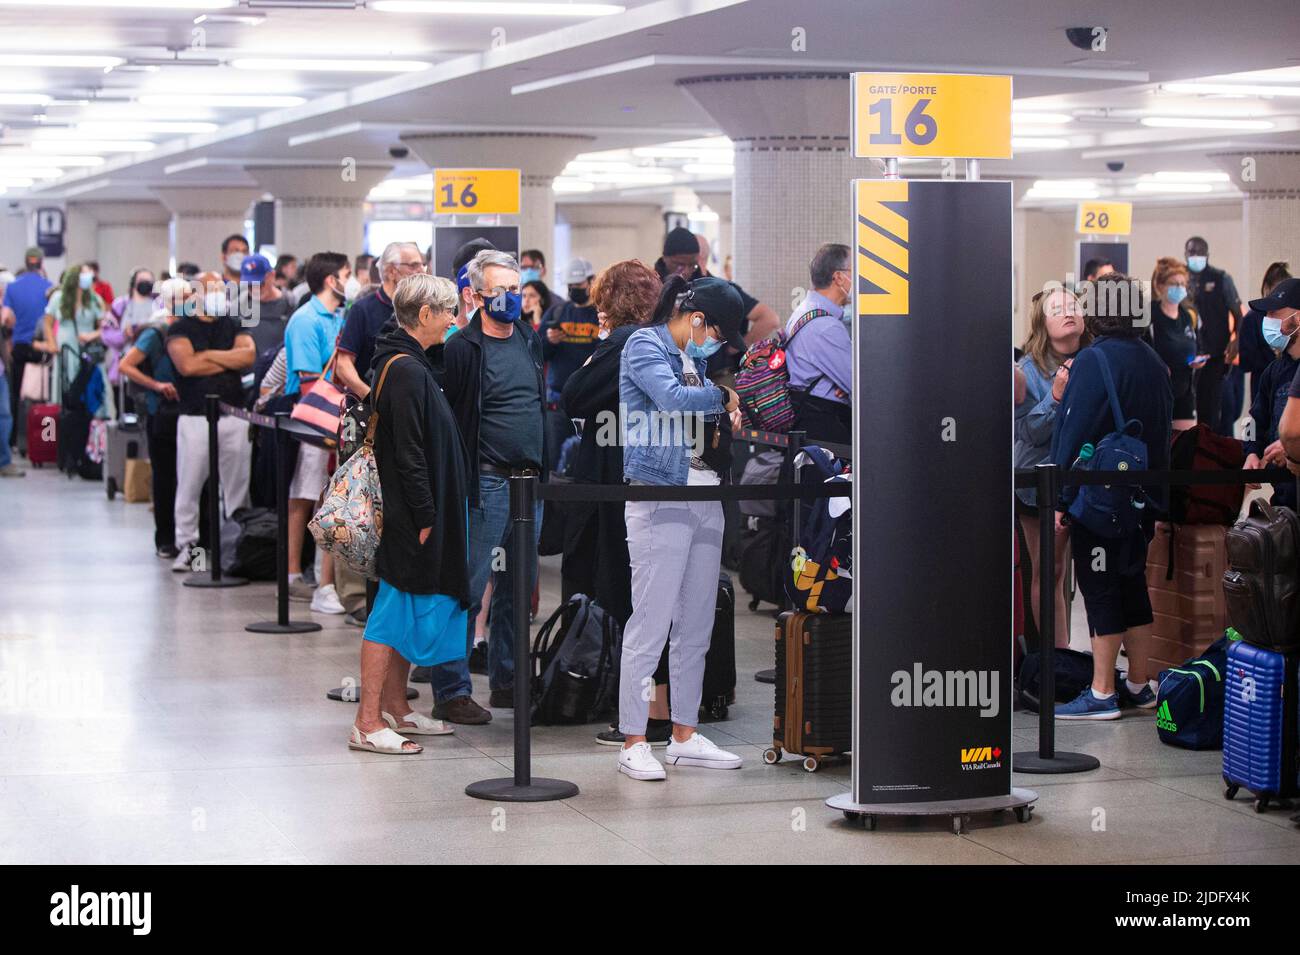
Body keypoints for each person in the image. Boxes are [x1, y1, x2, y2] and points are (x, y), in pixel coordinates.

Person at [615, 274, 746, 781]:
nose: (716, 343)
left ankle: (685, 734)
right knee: (650, 622)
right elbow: (670, 398)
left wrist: (719, 402)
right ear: (696, 319)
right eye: (714, 331)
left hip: (704, 491)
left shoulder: (700, 359)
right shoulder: (645, 345)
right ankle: (632, 739)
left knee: (696, 624)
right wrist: (723, 399)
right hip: (659, 491)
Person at [349, 273, 468, 754]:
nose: (452, 321)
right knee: (391, 612)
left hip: (417, 509)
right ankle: (367, 720)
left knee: (402, 605)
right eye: (447, 313)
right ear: (425, 315)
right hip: (410, 514)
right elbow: (410, 452)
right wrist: (424, 514)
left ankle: (396, 708)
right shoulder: (405, 369)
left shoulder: (407, 362)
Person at [429, 249, 546, 725]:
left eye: (515, 290)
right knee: (470, 586)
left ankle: (509, 680)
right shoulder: (461, 348)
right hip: (486, 482)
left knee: (519, 589)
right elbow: (454, 417)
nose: (508, 299)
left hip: (529, 483)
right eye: (498, 291)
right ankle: (452, 689)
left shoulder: (526, 337)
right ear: (475, 295)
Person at [1051, 274, 1172, 721]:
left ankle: (1102, 692)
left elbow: (1074, 433)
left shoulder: (1092, 361)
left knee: (1099, 586)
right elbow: (1161, 435)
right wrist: (1159, 502)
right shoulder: (1154, 362)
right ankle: (1139, 684)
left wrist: (1062, 497)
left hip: (1101, 502)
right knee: (1133, 584)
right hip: (1142, 498)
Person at [558, 260, 665, 745]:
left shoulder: (622, 346)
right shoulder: (663, 341)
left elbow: (574, 398)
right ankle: (656, 708)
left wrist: (596, 350)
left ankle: (639, 713)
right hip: (652, 476)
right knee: (651, 592)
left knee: (621, 589)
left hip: (614, 479)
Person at [165, 274, 255, 571]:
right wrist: (228, 357)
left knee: (237, 486)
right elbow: (187, 365)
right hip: (195, 417)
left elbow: (248, 357)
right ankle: (187, 545)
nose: (218, 294)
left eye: (221, 290)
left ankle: (237, 545)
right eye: (212, 290)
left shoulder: (231, 322)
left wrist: (208, 356)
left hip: (234, 415)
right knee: (190, 483)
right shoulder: (180, 326)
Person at [1015, 286, 1089, 647]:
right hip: (1039, 484)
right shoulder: (1027, 369)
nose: (1068, 312)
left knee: (1094, 574)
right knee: (1051, 572)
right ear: (1042, 322)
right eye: (1057, 309)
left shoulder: (1096, 358)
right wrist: (1056, 396)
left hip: (1088, 480)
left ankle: (1096, 672)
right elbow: (1027, 431)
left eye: (1073, 305)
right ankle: (1057, 664)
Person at [283, 251, 351, 614]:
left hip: (338, 417)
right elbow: (309, 380)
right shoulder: (305, 320)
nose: (350, 279)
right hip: (316, 418)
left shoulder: (342, 314)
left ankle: (322, 577)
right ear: (331, 280)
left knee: (327, 498)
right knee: (306, 495)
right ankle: (297, 573)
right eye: (346, 273)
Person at [120, 278, 184, 558]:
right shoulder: (157, 332)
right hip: (161, 413)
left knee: (190, 479)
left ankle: (188, 540)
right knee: (166, 476)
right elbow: (126, 365)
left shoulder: (189, 331)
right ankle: (166, 539)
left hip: (186, 413)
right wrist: (156, 385)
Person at [783, 243, 854, 444]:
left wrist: (843, 385)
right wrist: (846, 388)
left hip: (809, 419)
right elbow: (858, 384)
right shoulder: (825, 326)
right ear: (839, 277)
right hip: (824, 426)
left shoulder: (805, 311)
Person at [334, 242, 424, 399]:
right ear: (391, 271)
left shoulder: (422, 310)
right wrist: (369, 396)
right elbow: (343, 365)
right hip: (370, 408)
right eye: (414, 266)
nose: (422, 271)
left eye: (423, 265)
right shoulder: (363, 309)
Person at [541, 257, 601, 471]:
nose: (574, 290)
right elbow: (537, 352)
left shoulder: (600, 316)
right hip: (558, 403)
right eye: (571, 286)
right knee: (554, 464)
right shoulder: (557, 312)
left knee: (587, 465)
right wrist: (549, 340)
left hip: (591, 403)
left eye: (579, 286)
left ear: (591, 282)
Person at [1242, 293, 1300, 509]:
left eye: (1275, 313)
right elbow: (1252, 421)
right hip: (1283, 500)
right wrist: (1251, 453)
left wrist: (1291, 448)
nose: (1268, 319)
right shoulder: (1273, 372)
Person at [1185, 236, 1242, 435]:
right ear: (1185, 254)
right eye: (1192, 252)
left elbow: (1237, 313)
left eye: (1200, 252)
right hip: (1186, 357)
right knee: (1186, 410)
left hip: (1215, 355)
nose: (1195, 256)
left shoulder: (1221, 278)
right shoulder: (1179, 280)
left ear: (1207, 255)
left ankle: (1211, 453)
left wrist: (1236, 339)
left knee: (1212, 411)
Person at [3, 246, 54, 444]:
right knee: (43, 396)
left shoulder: (13, 287)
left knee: (15, 395)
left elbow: (7, 317)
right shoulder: (49, 287)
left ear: (26, 262)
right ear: (41, 263)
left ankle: (14, 439)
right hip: (42, 349)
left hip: (19, 348)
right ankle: (44, 440)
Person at [1146, 256, 1202, 431]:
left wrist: (1196, 361)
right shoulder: (1149, 315)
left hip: (1184, 391)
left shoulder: (1188, 316)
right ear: (1161, 286)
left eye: (1182, 284)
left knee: (1186, 444)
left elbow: (1196, 346)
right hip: (1157, 392)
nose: (1179, 288)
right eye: (1174, 284)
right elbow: (1141, 351)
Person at [40, 264, 106, 408]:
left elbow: (105, 329)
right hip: (65, 348)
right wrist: (52, 344)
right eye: (85, 274)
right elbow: (48, 323)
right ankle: (65, 419)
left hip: (87, 349)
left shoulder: (95, 300)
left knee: (87, 386)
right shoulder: (58, 298)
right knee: (65, 385)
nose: (89, 277)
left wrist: (91, 335)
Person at [1237, 262, 1291, 412]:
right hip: (1262, 393)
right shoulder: (1252, 318)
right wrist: (1273, 357)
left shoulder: (1293, 318)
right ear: (1266, 288)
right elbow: (1246, 362)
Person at [236, 254, 293, 357]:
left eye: (260, 284)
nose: (255, 289)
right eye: (250, 286)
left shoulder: (290, 303)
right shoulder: (238, 307)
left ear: (272, 275)